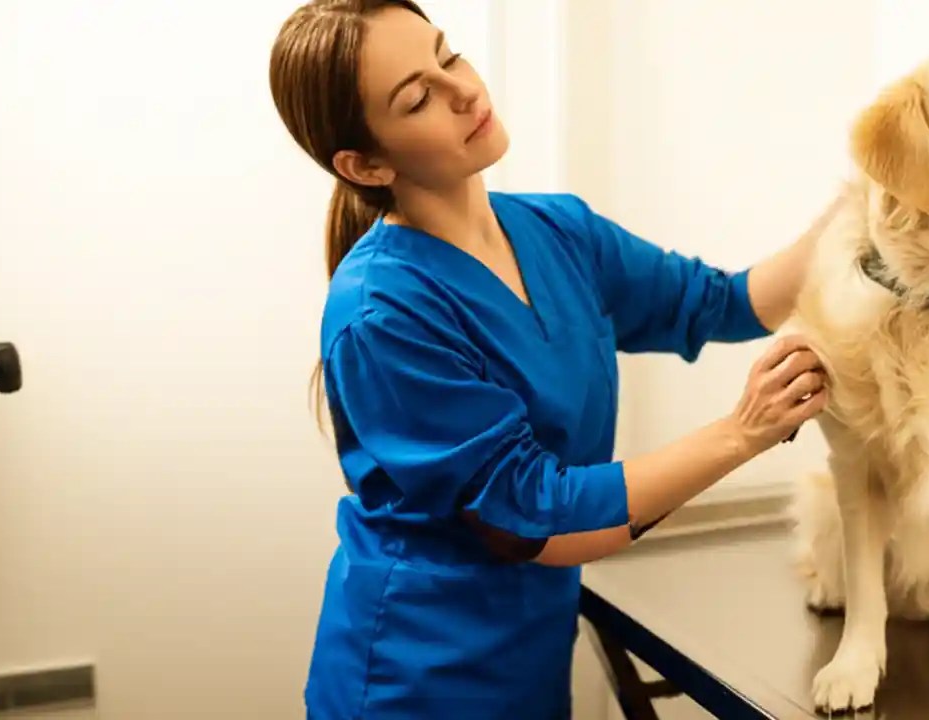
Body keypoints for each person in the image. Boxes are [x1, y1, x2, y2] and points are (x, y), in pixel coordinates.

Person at [268, 1, 841, 717]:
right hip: (415, 680)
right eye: (418, 98)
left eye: (448, 56)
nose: (464, 91)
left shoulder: (557, 231)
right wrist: (742, 433)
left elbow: (719, 302)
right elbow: (534, 518)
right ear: (366, 162)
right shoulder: (385, 313)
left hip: (529, 661)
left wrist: (858, 214)